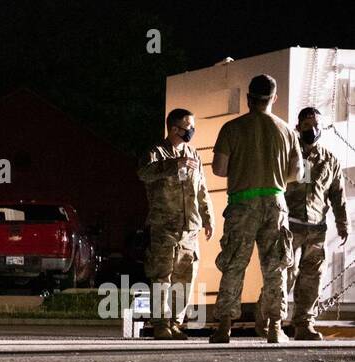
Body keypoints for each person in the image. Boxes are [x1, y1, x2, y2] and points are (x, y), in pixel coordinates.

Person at [209, 74, 302, 344]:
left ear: (249, 98)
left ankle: (224, 327)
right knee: (276, 268)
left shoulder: (231, 128)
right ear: (274, 98)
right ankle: (275, 328)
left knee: (234, 264)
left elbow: (219, 168)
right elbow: (296, 173)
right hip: (275, 202)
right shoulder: (287, 131)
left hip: (241, 204)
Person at [138, 108, 213, 339]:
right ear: (174, 128)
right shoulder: (156, 152)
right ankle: (161, 324)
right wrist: (172, 165)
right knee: (162, 276)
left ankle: (175, 323)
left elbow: (202, 188)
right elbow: (143, 174)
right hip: (164, 225)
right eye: (188, 126)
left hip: (190, 227)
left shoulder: (194, 154)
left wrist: (208, 216)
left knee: (185, 276)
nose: (192, 130)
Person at [284, 106, 348, 340]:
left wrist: (343, 224)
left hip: (316, 229)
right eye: (309, 126)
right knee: (283, 275)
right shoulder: (288, 155)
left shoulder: (329, 160)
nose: (314, 130)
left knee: (312, 278)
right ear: (298, 127)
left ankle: (304, 324)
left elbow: (337, 196)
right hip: (288, 226)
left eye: (317, 126)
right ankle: (271, 321)